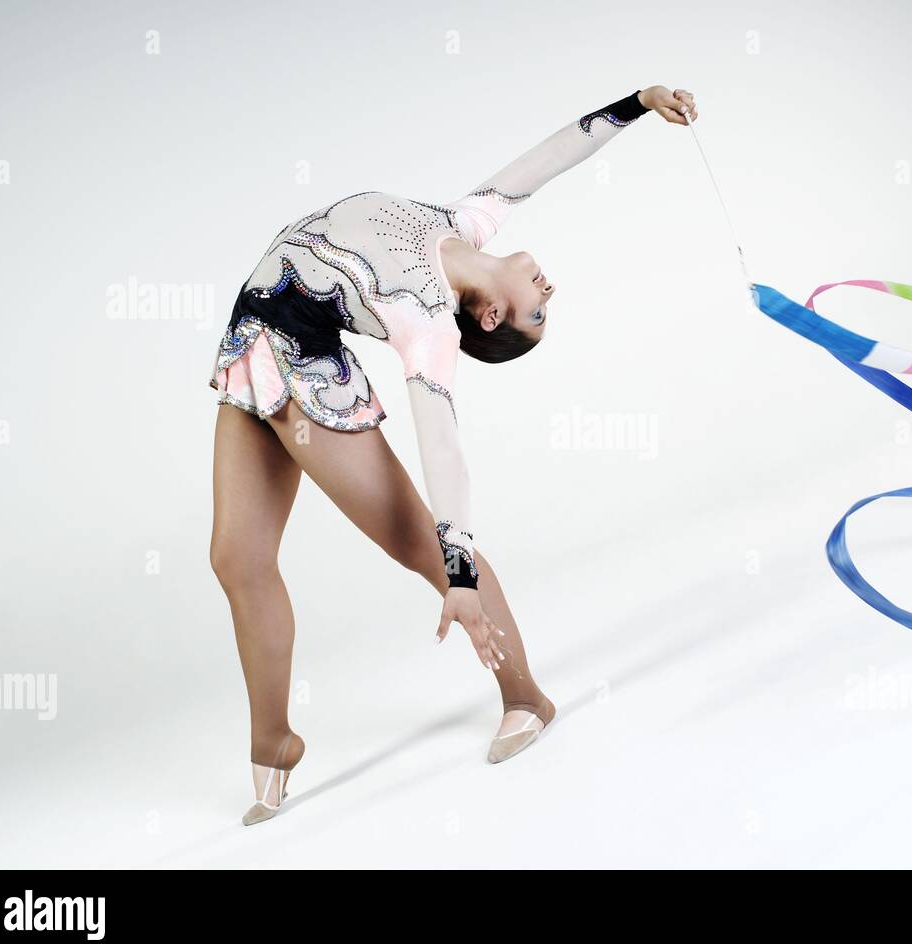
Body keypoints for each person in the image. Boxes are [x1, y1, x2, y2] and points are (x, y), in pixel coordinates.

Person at [207, 85, 699, 825]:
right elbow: (549, 159)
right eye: (547, 304)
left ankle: (526, 696)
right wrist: (638, 103)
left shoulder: (430, 323)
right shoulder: (464, 221)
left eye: (539, 311)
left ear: (491, 315)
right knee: (235, 559)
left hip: (309, 380)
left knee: (424, 551)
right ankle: (276, 742)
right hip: (251, 347)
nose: (549, 289)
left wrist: (460, 569)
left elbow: (444, 445)